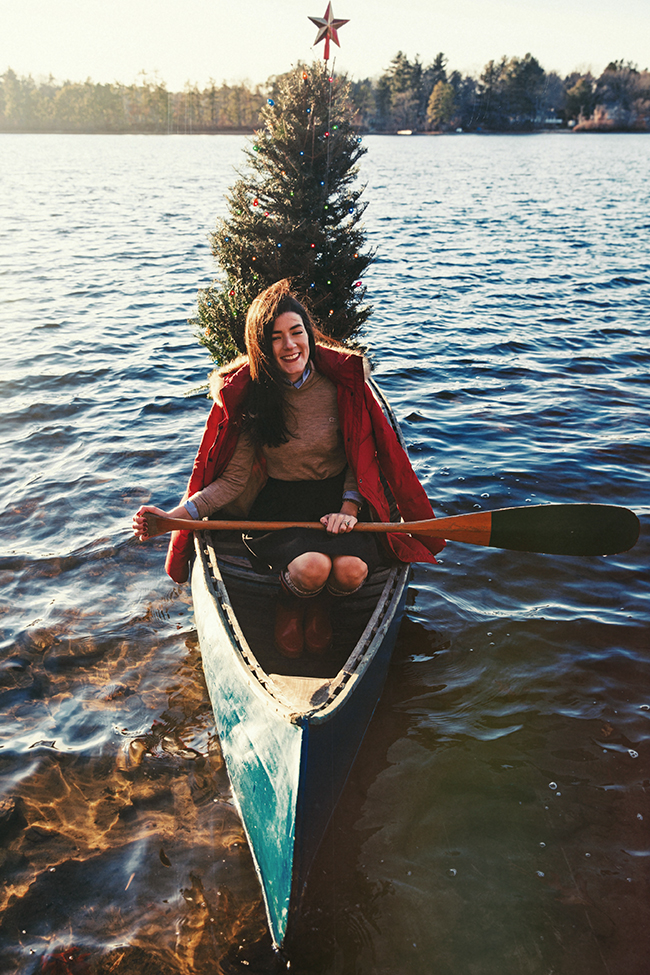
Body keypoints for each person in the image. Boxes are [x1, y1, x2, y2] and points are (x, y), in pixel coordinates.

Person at [133, 280, 444, 658]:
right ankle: (291, 603)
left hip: (337, 500)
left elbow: (359, 461)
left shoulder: (342, 388)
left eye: (297, 332)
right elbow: (231, 481)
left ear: (310, 336)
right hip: (280, 506)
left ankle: (321, 606)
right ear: (261, 346)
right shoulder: (255, 396)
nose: (290, 345)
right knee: (311, 568)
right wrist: (173, 518)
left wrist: (348, 509)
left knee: (351, 571)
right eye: (276, 337)